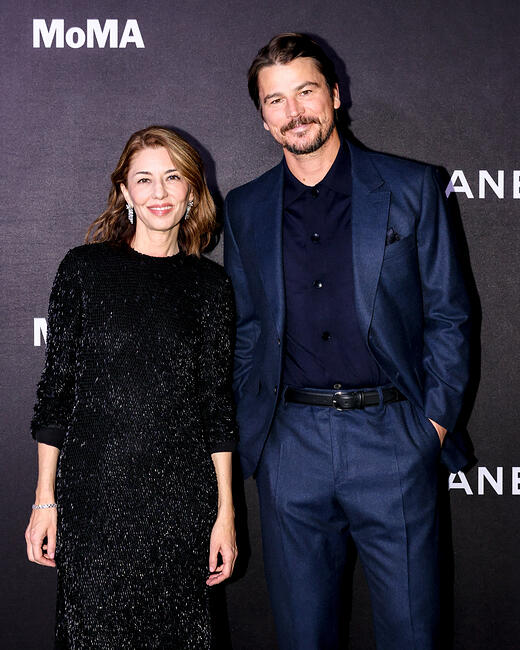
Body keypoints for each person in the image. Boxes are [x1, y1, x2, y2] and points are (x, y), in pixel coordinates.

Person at [224, 33, 472, 650]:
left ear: (335, 95)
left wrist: (432, 425)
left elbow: (449, 313)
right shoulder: (245, 207)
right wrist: (262, 437)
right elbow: (248, 329)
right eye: (276, 100)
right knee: (302, 636)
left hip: (394, 437)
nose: (294, 112)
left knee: (412, 634)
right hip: (291, 446)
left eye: (306, 91)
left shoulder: (411, 187)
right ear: (263, 118)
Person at [25, 126, 238, 649]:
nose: (159, 193)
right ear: (124, 191)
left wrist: (225, 513)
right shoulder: (84, 270)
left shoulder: (210, 286)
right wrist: (44, 501)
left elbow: (216, 407)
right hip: (94, 500)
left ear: (193, 190)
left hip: (181, 504)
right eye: (144, 179)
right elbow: (56, 392)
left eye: (173, 177)